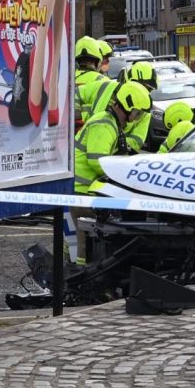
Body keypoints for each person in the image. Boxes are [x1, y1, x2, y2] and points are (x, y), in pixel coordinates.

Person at [73, 81, 151, 263]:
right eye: (137, 112)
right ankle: (83, 281)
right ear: (128, 108)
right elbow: (97, 160)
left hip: (83, 190)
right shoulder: (105, 125)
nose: (137, 117)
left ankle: (74, 273)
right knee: (86, 246)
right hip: (81, 192)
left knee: (80, 242)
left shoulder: (111, 123)